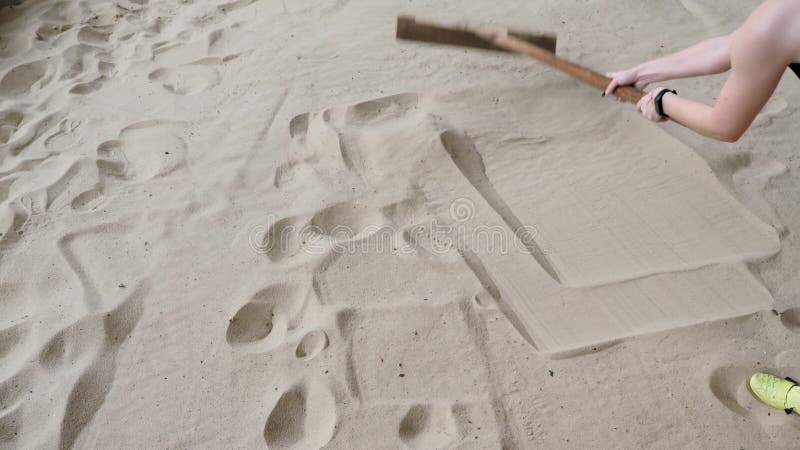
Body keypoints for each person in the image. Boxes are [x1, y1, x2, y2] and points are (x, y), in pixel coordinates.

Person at [603, 0, 800, 142]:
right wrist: (641, 73)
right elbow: (737, 44)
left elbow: (723, 127)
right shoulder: (777, 18)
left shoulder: (774, 23)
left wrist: (662, 101)